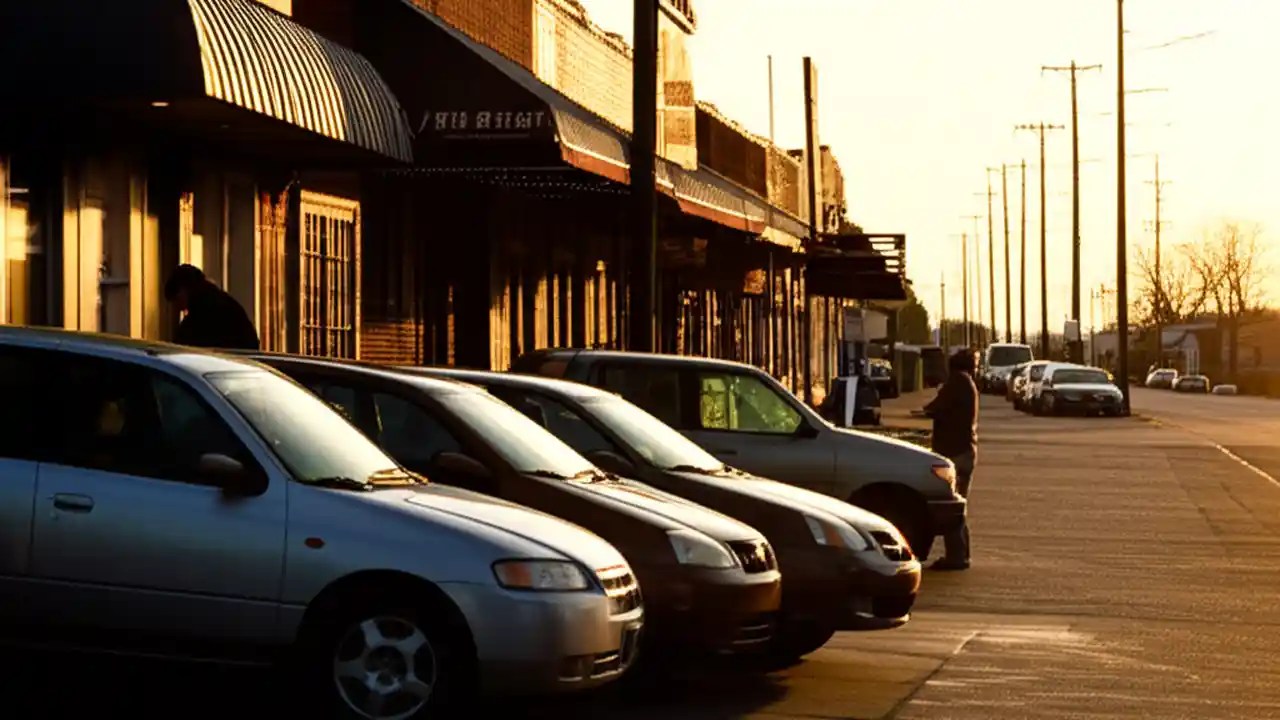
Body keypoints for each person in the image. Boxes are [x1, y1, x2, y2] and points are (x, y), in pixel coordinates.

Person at [922, 348, 979, 571]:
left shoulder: (957, 383)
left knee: (952, 506)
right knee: (958, 505)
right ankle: (961, 554)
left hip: (956, 453)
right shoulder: (967, 383)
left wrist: (927, 410)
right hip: (964, 450)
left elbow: (936, 407)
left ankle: (957, 556)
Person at [164, 264, 260, 350]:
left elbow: (186, 340)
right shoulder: (217, 301)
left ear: (183, 291)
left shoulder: (205, 310)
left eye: (176, 300)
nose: (178, 307)